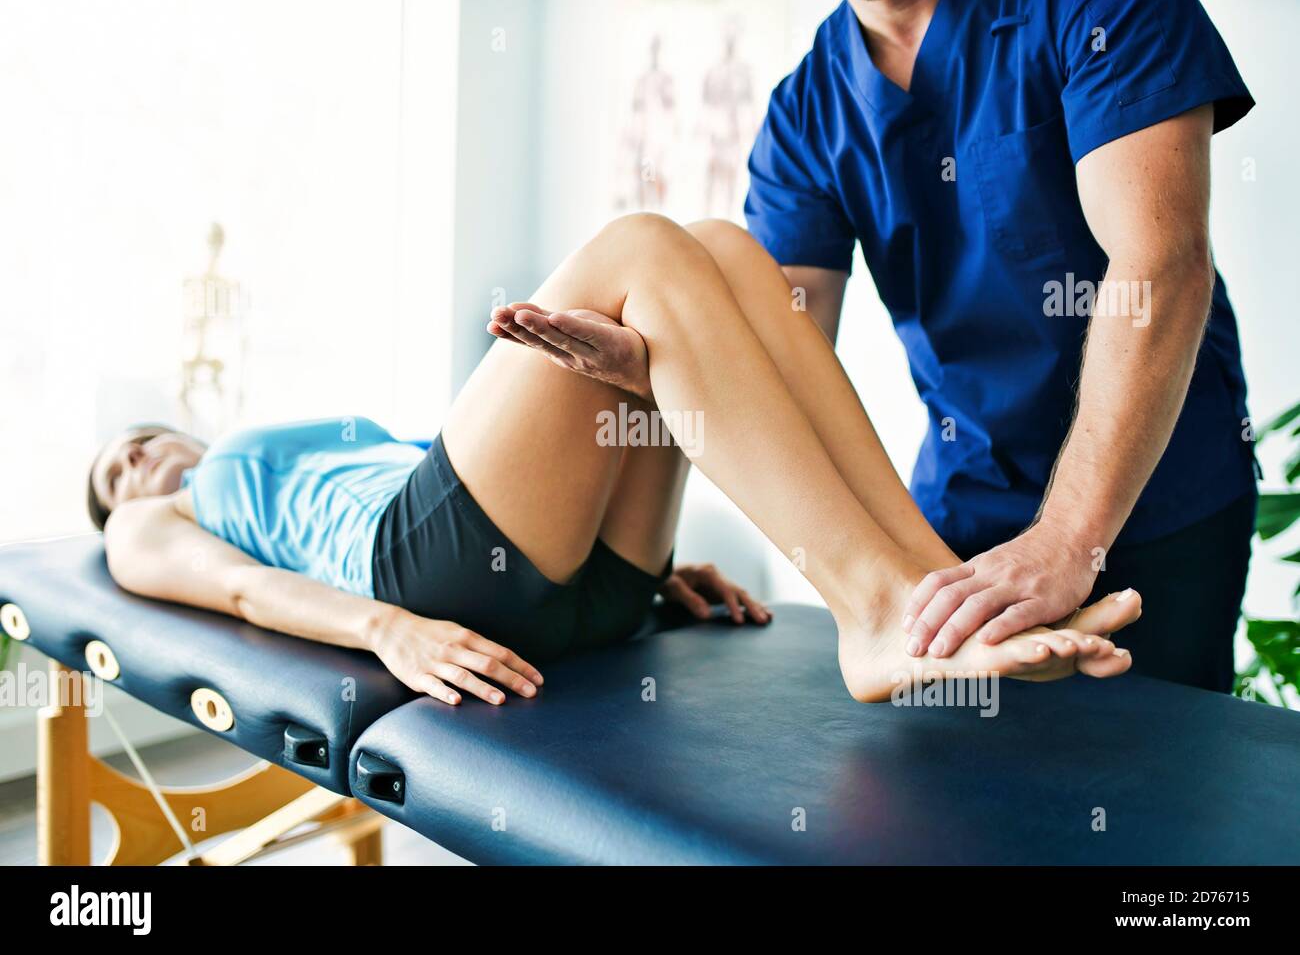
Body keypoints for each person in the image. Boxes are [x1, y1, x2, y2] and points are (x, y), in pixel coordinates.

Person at [502, 0, 1256, 693]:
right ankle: (875, 621)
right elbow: (778, 360)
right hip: (957, 519)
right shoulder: (808, 110)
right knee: (960, 817)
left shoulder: (1100, 9)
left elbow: (1160, 265)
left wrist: (1067, 539)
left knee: (1152, 804)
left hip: (1160, 506)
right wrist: (658, 369)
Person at [91, 214, 1136, 708]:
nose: (130, 462)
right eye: (110, 474)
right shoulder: (167, 511)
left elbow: (508, 489)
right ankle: (871, 614)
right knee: (638, 244)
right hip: (422, 580)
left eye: (136, 443)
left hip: (579, 583)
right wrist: (387, 627)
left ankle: (927, 599)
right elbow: (241, 588)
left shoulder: (302, 447)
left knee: (728, 252)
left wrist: (658, 576)